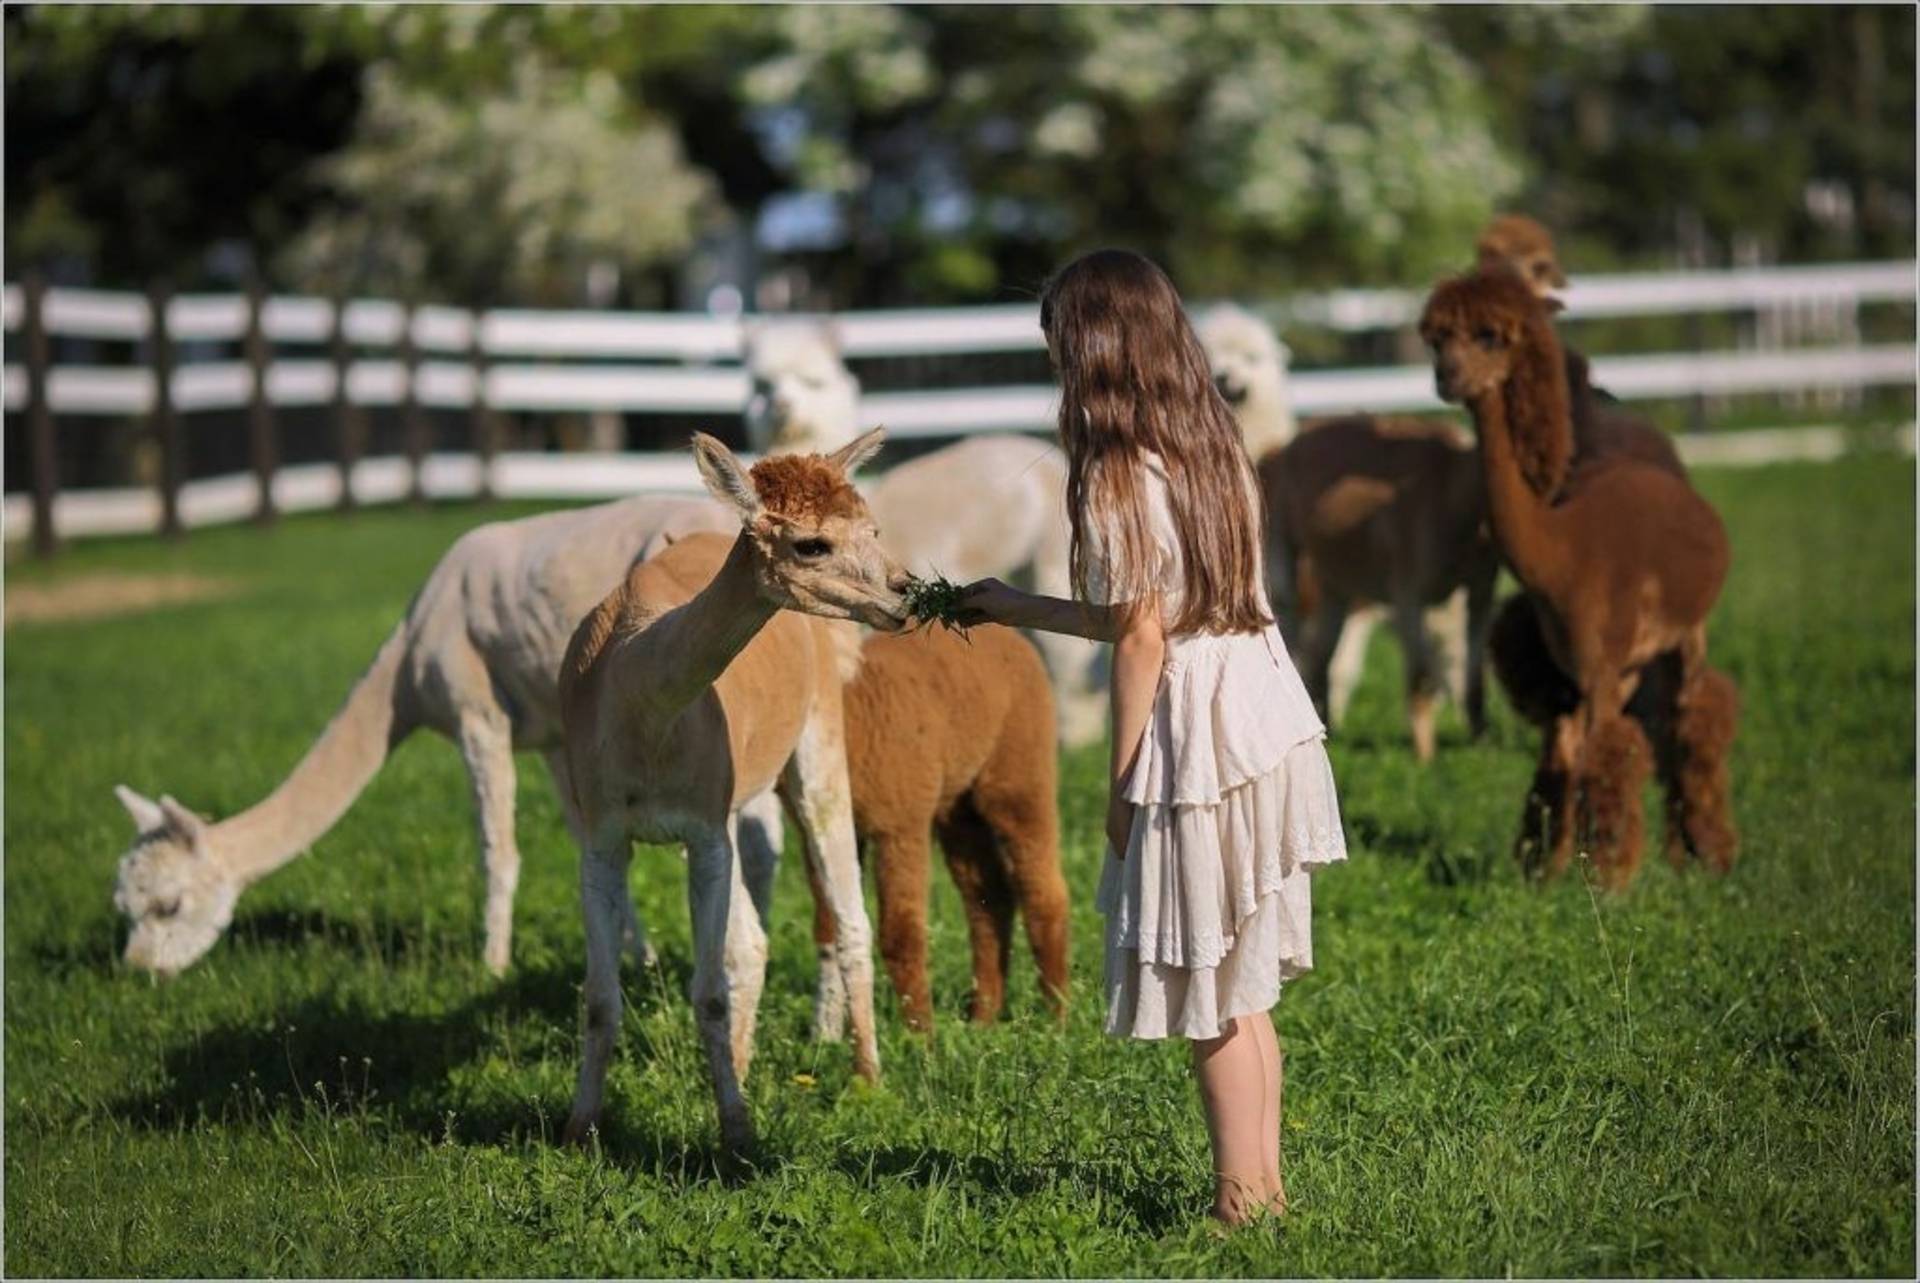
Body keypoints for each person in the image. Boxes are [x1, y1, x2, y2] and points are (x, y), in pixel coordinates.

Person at [954, 249, 1347, 1227]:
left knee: (1209, 991)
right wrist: (1017, 605)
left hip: (1199, 737)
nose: (1056, 370)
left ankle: (1236, 1201)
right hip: (1263, 706)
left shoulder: (1121, 471)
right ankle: (1261, 1196)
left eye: (1059, 348)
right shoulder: (1210, 446)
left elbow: (1140, 638)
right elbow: (1160, 610)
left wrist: (1125, 779)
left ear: (1092, 353)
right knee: (1242, 987)